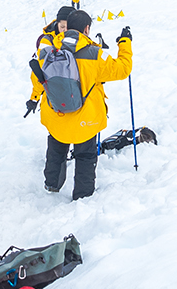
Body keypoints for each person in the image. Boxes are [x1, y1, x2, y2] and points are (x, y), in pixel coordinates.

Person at [26, 11, 133, 200]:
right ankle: (82, 196)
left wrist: (34, 98)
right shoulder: (94, 54)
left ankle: (52, 184)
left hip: (56, 114)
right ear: (86, 29)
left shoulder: (48, 50)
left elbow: (37, 79)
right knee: (85, 156)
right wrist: (124, 43)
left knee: (56, 149)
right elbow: (123, 69)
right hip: (86, 120)